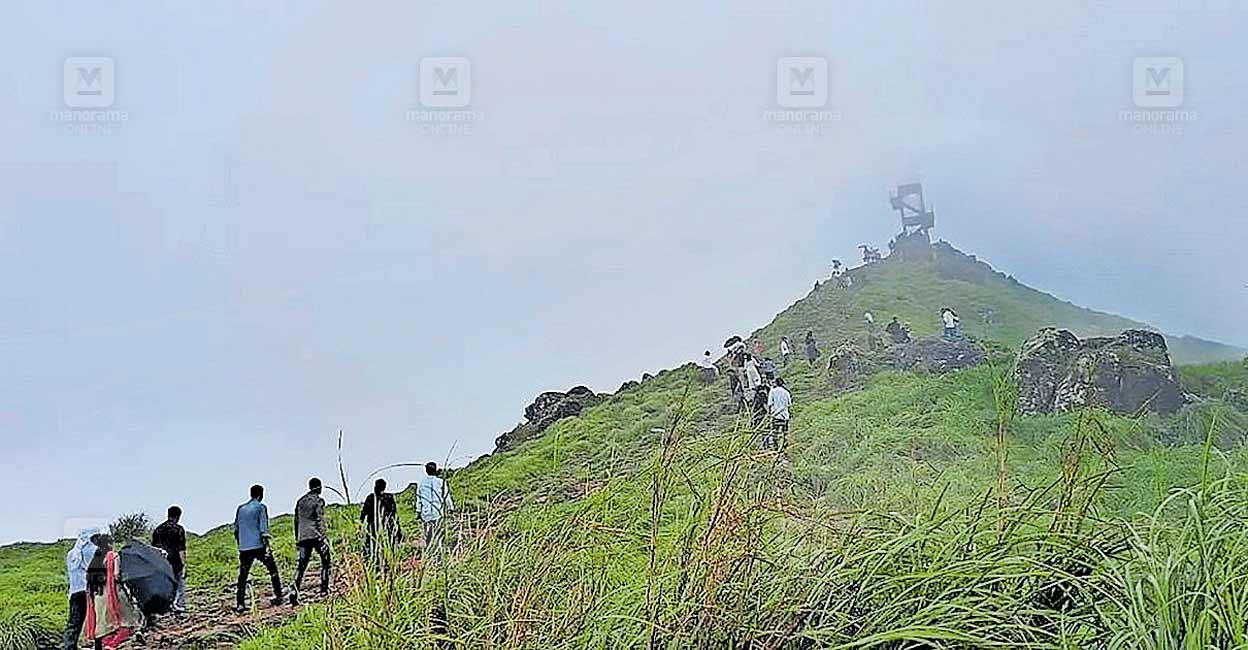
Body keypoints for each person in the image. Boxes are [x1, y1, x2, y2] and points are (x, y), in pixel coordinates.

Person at [84, 534, 142, 650]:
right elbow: (116, 576)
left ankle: (104, 644)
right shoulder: (113, 556)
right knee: (127, 620)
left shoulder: (96, 558)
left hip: (98, 595)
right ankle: (112, 645)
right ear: (109, 544)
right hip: (113, 592)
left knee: (103, 625)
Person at [233, 484, 284, 613]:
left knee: (243, 576)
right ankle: (278, 595)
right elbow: (263, 529)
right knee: (272, 569)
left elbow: (236, 529)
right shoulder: (261, 507)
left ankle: (240, 604)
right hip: (258, 545)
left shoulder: (241, 509)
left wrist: (240, 544)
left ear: (251, 494)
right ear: (261, 494)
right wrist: (267, 546)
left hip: (244, 547)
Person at [291, 478, 331, 605]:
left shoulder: (300, 501)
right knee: (326, 561)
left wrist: (297, 537)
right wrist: (324, 536)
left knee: (301, 566)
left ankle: (294, 591)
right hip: (315, 536)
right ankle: (324, 590)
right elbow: (319, 519)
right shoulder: (318, 500)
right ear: (318, 487)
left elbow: (296, 521)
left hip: (303, 536)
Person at [61, 527, 98, 650]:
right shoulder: (94, 550)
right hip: (90, 591)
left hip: (75, 592)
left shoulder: (71, 553)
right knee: (97, 620)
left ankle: (69, 646)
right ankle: (99, 645)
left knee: (74, 622)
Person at [151, 506, 187, 614]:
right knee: (179, 585)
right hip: (175, 562)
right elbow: (181, 549)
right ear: (178, 516)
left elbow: (154, 549)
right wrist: (184, 564)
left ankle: (165, 606)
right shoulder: (179, 529)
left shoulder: (158, 529)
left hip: (162, 562)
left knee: (164, 585)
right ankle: (179, 606)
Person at [417, 463, 455, 561]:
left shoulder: (421, 483)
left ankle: (429, 551)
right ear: (436, 470)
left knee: (428, 533)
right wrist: (451, 508)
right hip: (438, 511)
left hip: (425, 513)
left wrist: (418, 511)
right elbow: (446, 496)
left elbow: (419, 499)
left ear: (426, 471)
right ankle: (439, 552)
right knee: (438, 532)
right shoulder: (441, 482)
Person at [361, 478, 401, 563]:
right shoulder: (389, 497)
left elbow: (364, 513)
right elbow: (393, 513)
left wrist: (361, 523)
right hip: (386, 527)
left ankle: (372, 560)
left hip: (373, 527)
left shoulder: (371, 498)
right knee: (387, 545)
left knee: (372, 544)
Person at [766, 377, 793, 451]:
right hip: (785, 416)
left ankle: (776, 447)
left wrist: (769, 414)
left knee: (775, 432)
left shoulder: (772, 392)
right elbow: (789, 405)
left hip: (776, 415)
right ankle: (784, 445)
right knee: (785, 432)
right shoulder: (786, 392)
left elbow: (770, 404)